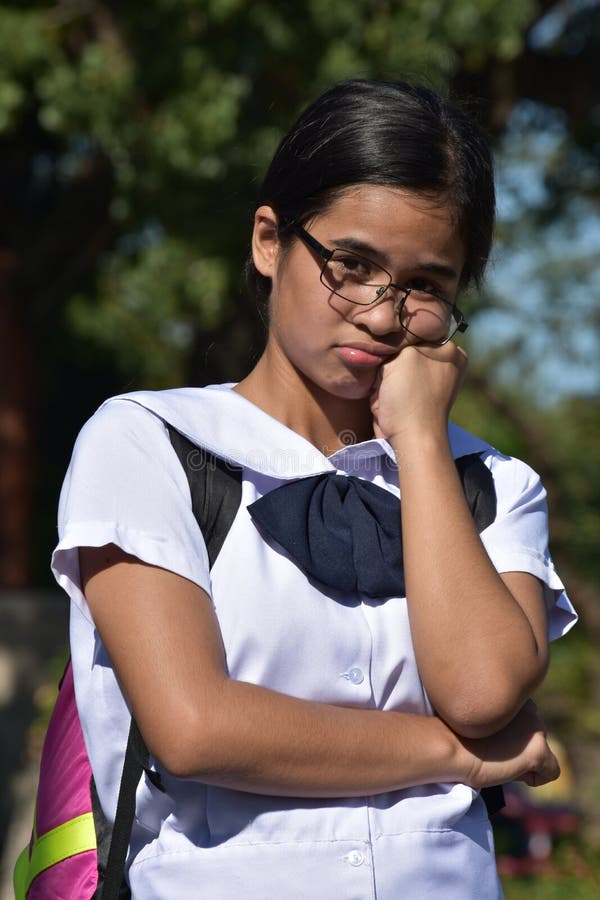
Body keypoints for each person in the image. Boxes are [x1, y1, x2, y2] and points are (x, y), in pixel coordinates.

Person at [53, 79, 576, 898]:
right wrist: (455, 757)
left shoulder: (492, 485)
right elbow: (194, 728)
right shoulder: (149, 442)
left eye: (427, 286)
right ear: (270, 240)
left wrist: (421, 444)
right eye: (354, 265)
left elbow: (479, 690)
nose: (381, 313)